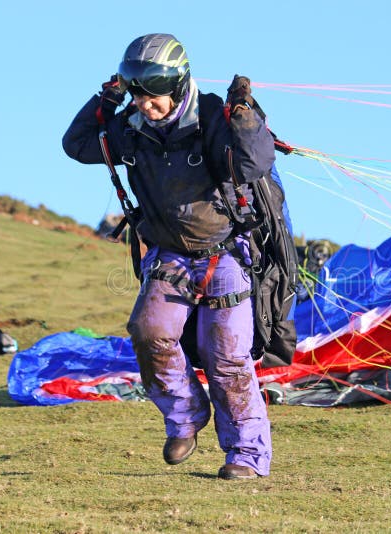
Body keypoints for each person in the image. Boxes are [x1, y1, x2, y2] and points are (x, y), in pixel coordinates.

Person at [62, 33, 276, 480]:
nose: (143, 105)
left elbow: (255, 164)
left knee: (228, 358)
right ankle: (185, 417)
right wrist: (106, 98)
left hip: (225, 255)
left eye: (151, 97)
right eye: (137, 97)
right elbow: (77, 144)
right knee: (148, 332)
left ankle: (247, 456)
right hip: (168, 255)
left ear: (177, 87)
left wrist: (245, 115)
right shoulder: (131, 131)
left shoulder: (214, 117)